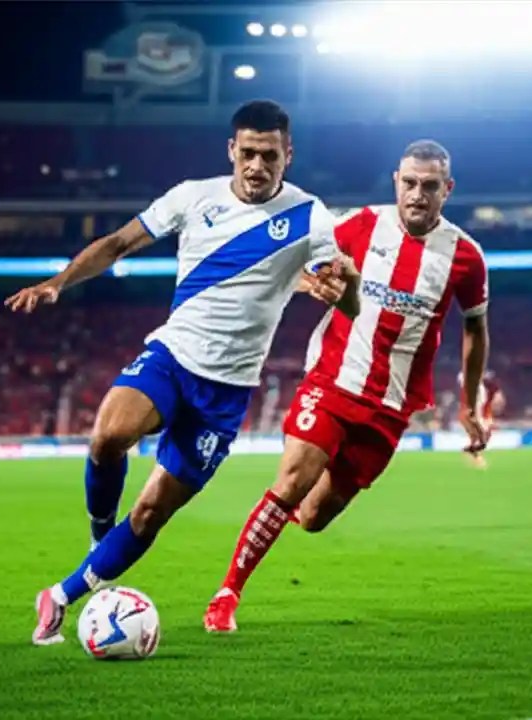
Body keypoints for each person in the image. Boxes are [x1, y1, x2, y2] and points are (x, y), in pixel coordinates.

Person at [5, 99, 361, 645]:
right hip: (173, 356)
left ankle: (58, 597)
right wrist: (59, 281)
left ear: (288, 155)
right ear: (231, 151)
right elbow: (119, 243)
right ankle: (100, 538)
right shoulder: (192, 196)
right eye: (248, 153)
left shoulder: (311, 216)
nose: (257, 165)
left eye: (269, 155)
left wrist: (342, 286)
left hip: (226, 394)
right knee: (108, 436)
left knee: (150, 513)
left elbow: (338, 289)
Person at [203, 139, 490, 633]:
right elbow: (294, 263)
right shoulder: (362, 225)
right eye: (409, 183)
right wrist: (311, 281)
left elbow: (475, 328)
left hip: (390, 407)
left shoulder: (465, 257)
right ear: (395, 182)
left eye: (429, 186)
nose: (417, 195)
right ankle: (227, 594)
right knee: (292, 481)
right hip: (333, 381)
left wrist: (469, 403)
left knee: (313, 517)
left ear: (448, 189)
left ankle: (276, 517)